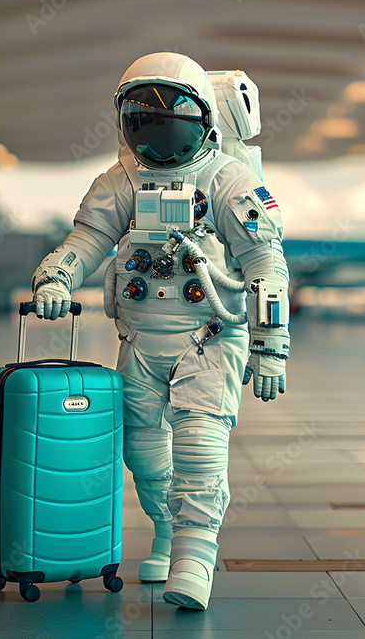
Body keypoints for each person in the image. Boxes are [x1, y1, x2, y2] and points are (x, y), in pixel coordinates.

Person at [30, 53, 290, 610]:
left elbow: (267, 265)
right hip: (142, 341)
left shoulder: (225, 179)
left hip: (209, 337)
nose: (157, 140)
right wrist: (55, 278)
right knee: (143, 453)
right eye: (143, 126)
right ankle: (169, 532)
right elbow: (86, 242)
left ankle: (194, 561)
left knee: (199, 449)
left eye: (170, 126)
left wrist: (271, 350)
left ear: (203, 123)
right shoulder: (122, 180)